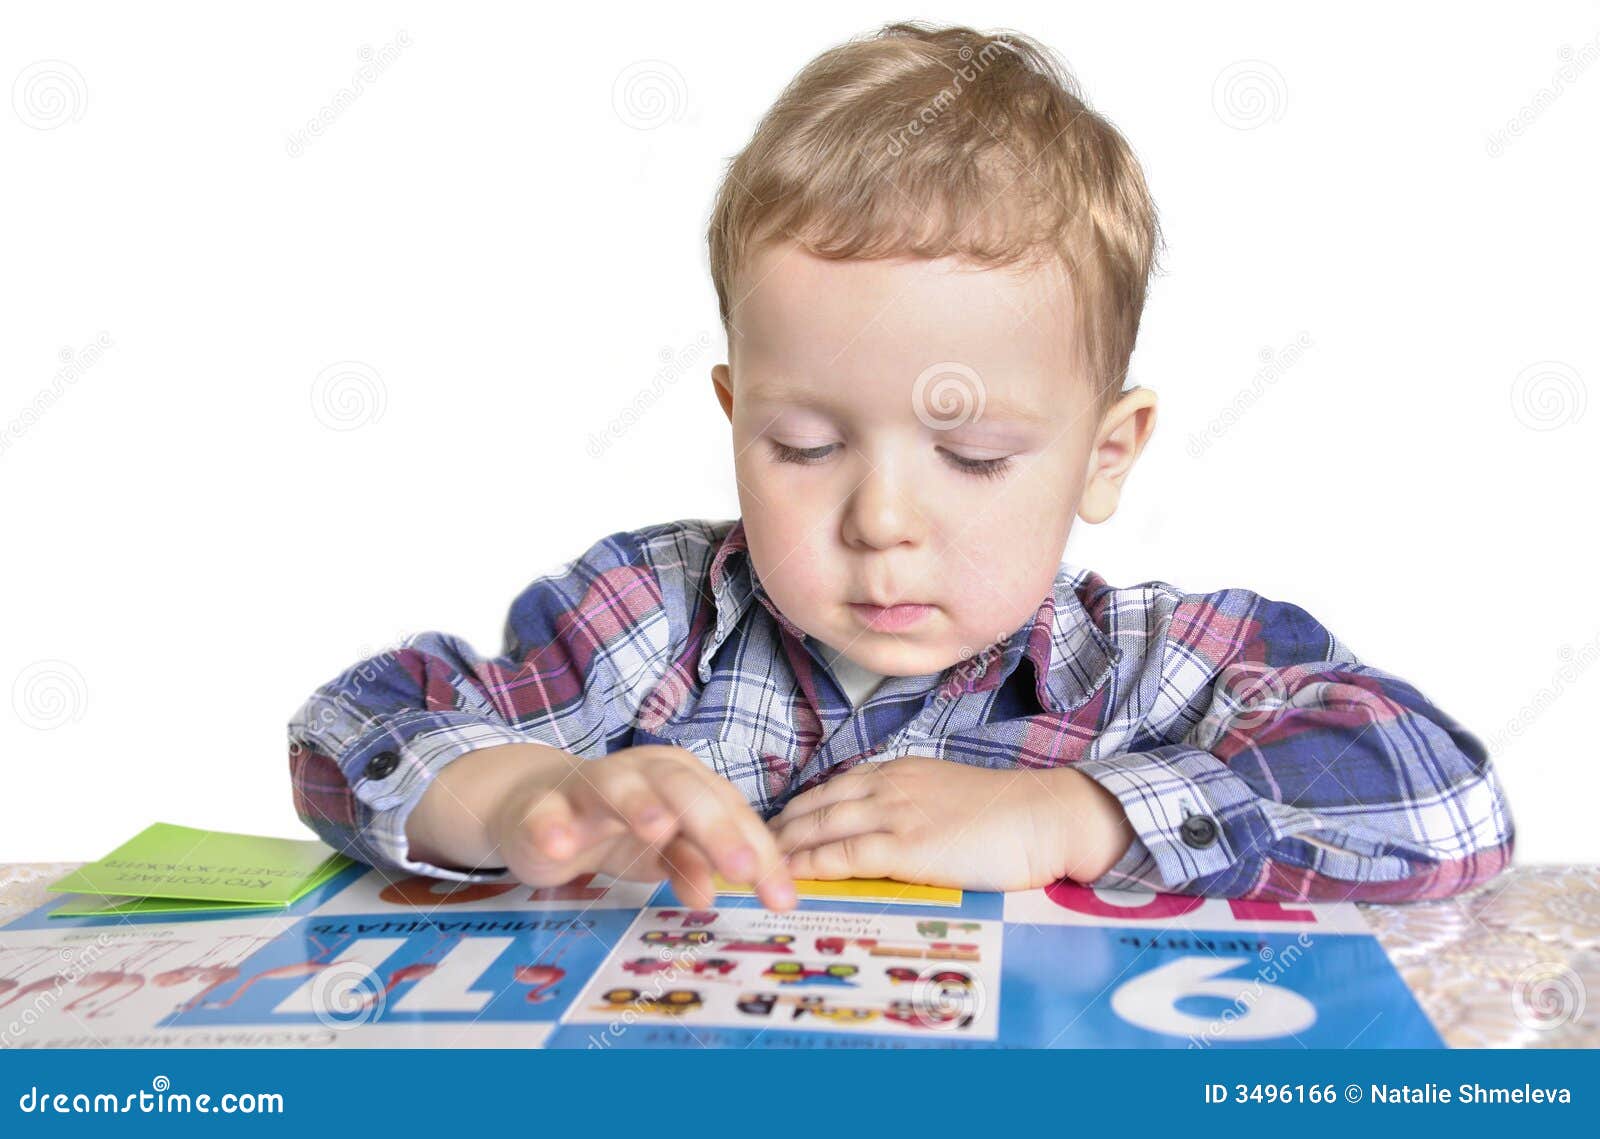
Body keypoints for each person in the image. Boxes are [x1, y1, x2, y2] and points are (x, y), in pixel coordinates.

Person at [288, 21, 1513, 910]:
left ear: (1104, 454)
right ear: (733, 416)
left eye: (973, 457)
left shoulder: (1152, 667)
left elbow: (1447, 798)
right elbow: (356, 723)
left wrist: (1069, 814)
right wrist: (522, 799)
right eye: (805, 445)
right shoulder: (645, 624)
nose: (880, 519)